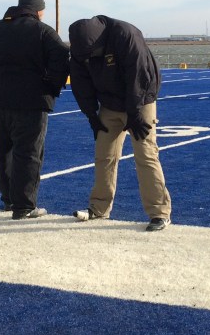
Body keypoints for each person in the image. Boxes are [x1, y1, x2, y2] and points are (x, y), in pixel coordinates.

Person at [0, 0, 69, 219]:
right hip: (32, 101)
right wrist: (51, 86)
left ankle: (9, 200)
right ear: (38, 10)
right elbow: (62, 56)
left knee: (4, 151)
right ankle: (24, 205)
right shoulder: (42, 31)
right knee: (29, 152)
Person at [68, 15, 172, 232]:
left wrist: (134, 112)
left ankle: (159, 213)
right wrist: (91, 114)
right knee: (104, 155)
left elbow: (139, 74)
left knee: (146, 154)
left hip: (141, 101)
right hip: (109, 103)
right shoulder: (80, 50)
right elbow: (80, 82)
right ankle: (99, 208)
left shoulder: (126, 35)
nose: (88, 59)